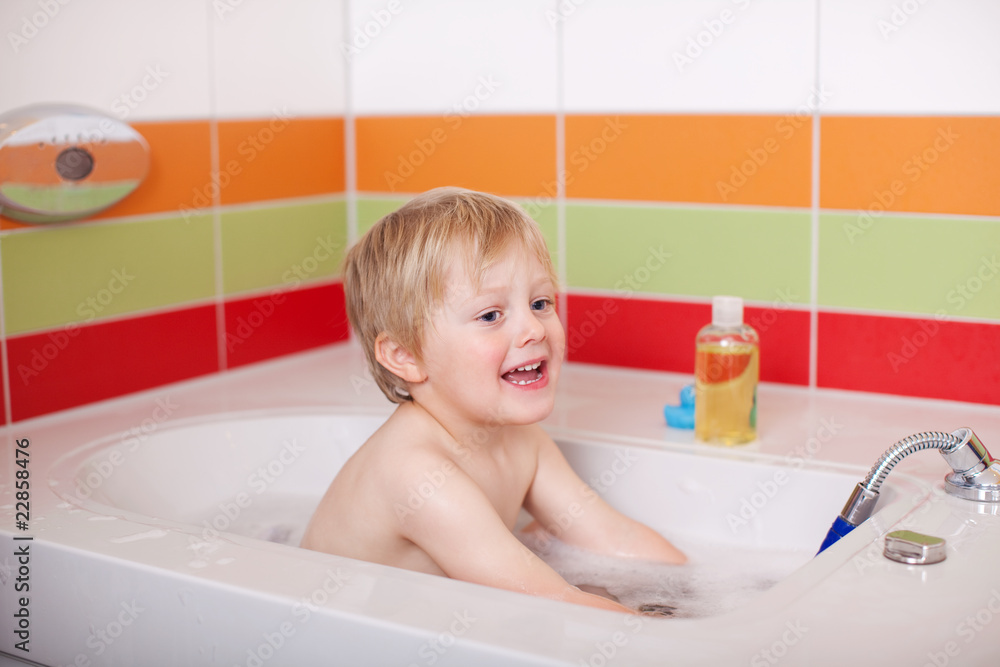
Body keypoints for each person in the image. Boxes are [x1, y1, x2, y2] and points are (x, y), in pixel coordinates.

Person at [301, 187, 685, 613]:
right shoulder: (416, 475)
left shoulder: (524, 442)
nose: (535, 329)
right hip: (342, 640)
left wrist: (698, 590)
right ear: (405, 356)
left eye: (540, 303)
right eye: (490, 315)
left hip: (428, 621)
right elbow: (555, 604)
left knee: (575, 565)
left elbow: (616, 538)